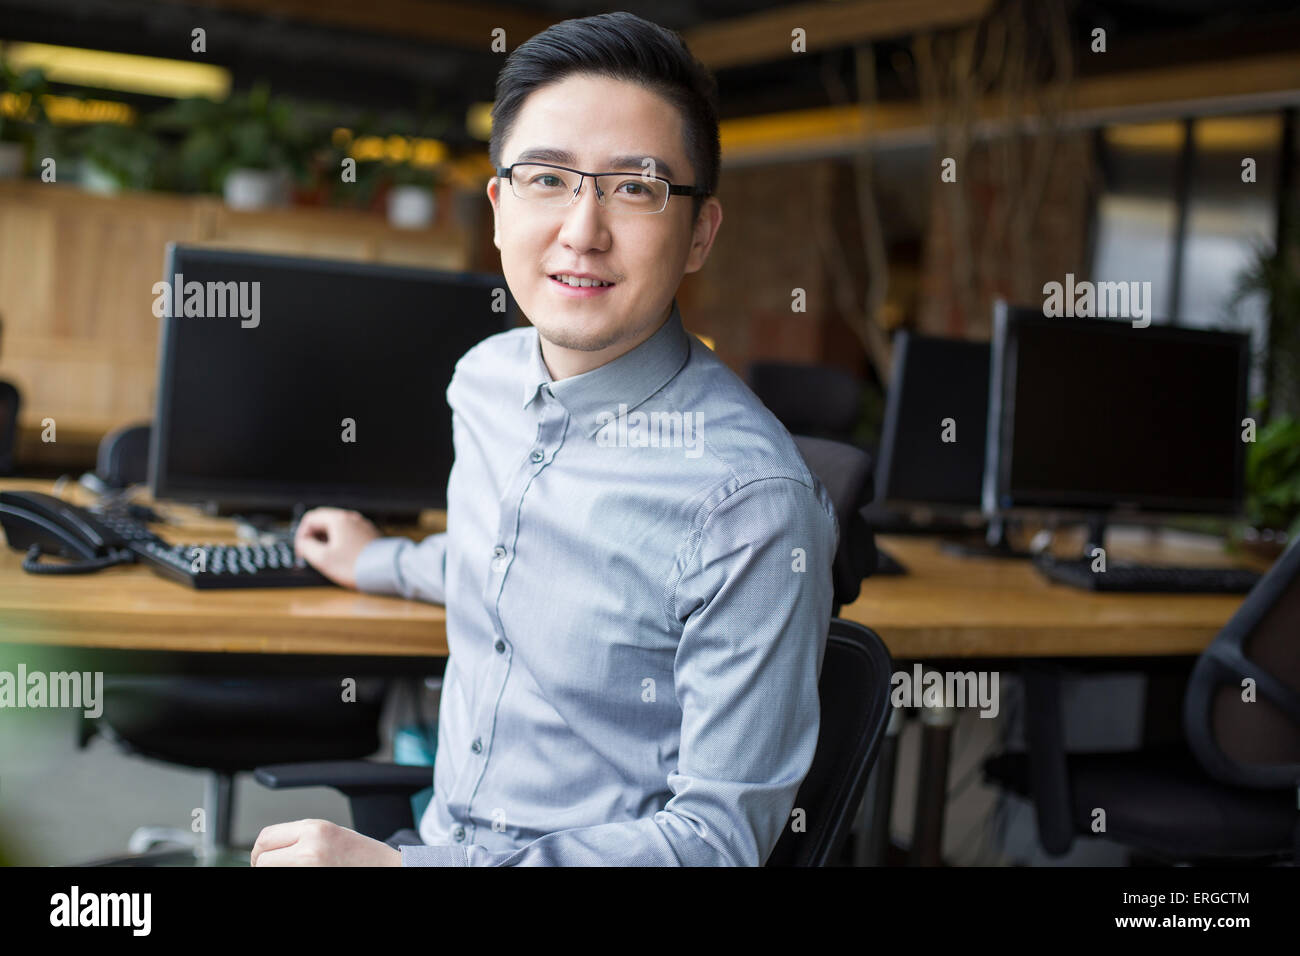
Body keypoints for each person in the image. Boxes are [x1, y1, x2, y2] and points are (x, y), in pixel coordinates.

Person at [251, 11, 837, 867]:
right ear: (497, 206)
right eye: (547, 178)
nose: (583, 229)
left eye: (636, 187)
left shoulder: (752, 506)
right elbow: (507, 560)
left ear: (701, 232)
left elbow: (718, 845)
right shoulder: (485, 382)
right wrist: (376, 560)